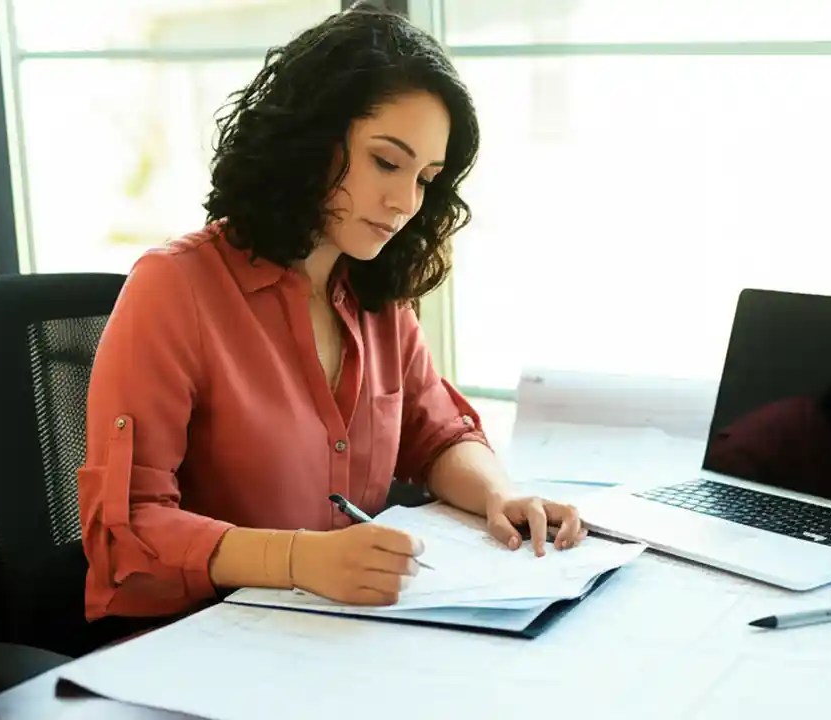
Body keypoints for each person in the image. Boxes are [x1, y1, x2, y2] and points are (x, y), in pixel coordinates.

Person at [76, 4, 586, 623]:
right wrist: (300, 560)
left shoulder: (377, 292)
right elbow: (128, 527)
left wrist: (499, 495)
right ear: (311, 140)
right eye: (386, 162)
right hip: (202, 637)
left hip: (342, 633)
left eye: (425, 178)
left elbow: (437, 435)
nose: (404, 202)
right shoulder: (174, 288)